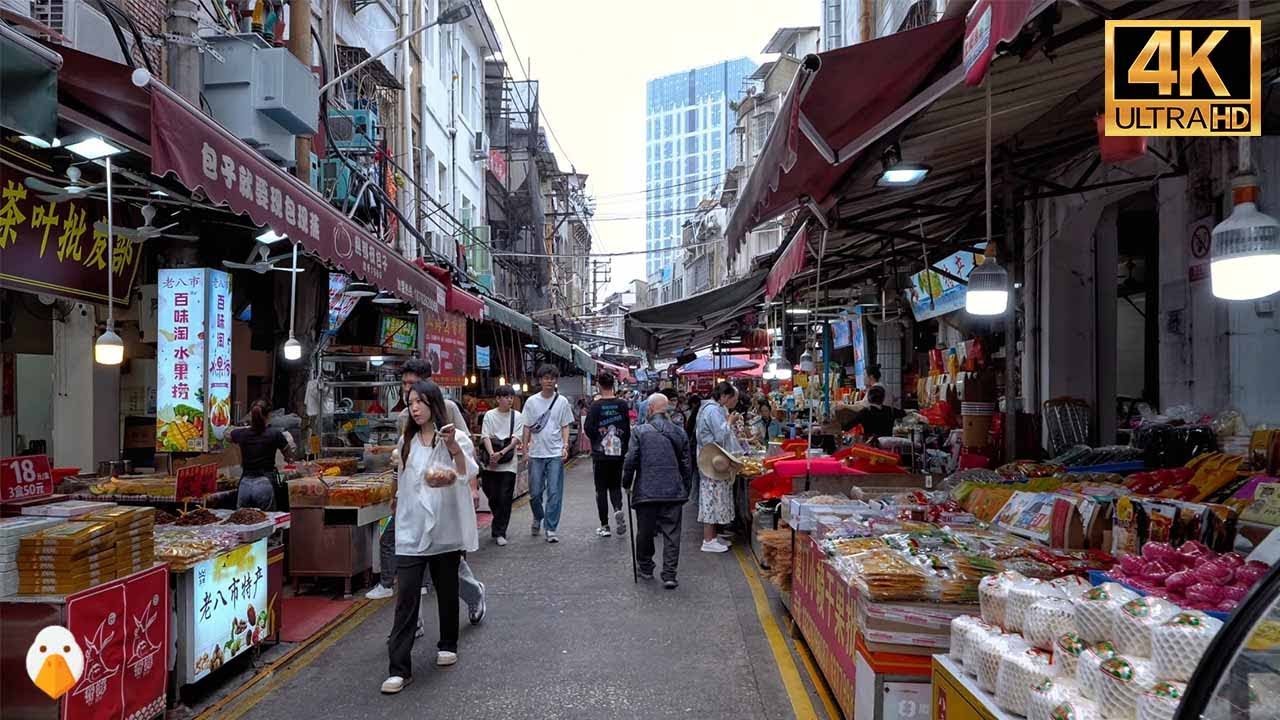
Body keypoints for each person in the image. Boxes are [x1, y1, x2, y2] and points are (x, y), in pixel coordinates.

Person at [369, 360, 486, 630]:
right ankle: (415, 622)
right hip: (413, 500)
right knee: (410, 557)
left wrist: (472, 485)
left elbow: (465, 451)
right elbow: (402, 459)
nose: (408, 394)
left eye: (412, 385)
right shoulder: (404, 417)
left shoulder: (448, 408)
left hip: (443, 498)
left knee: (448, 563)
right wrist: (395, 492)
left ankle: (474, 593)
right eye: (404, 386)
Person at [382, 380, 479, 694]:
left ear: (434, 404)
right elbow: (401, 477)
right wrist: (394, 501)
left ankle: (447, 643)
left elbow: (465, 475)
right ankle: (399, 668)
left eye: (421, 402)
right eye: (411, 403)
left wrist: (452, 448)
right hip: (411, 528)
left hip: (444, 528)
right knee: (406, 597)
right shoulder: (406, 441)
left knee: (446, 588)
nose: (415, 408)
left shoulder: (455, 437)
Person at [623, 393, 692, 589]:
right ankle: (669, 574)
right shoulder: (679, 432)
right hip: (673, 490)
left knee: (645, 531)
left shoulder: (639, 431)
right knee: (672, 534)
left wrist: (626, 483)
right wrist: (685, 489)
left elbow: (631, 460)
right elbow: (687, 465)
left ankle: (645, 566)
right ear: (666, 409)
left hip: (646, 490)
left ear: (651, 409)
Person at [521, 364, 576, 543]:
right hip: (536, 453)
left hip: (554, 453)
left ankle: (551, 528)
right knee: (535, 492)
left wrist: (565, 445)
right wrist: (525, 449)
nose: (549, 381)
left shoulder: (562, 402)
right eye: (545, 378)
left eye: (552, 378)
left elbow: (565, 425)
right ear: (540, 380)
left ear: (556, 381)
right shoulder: (531, 402)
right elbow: (527, 426)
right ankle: (538, 516)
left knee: (554, 491)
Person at [583, 372, 631, 537]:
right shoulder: (622, 405)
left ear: (598, 385)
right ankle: (617, 508)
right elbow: (627, 428)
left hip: (600, 454)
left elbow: (588, 428)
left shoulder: (595, 406)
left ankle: (604, 525)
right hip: (618, 454)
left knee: (601, 489)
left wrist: (597, 439)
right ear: (614, 385)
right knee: (615, 486)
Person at [694, 382, 740, 553]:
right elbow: (720, 435)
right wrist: (729, 421)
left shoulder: (709, 408)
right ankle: (708, 539)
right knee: (711, 499)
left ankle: (713, 536)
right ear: (723, 397)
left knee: (713, 497)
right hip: (711, 461)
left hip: (710, 459)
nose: (731, 403)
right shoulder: (713, 410)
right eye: (731, 399)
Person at [480, 385, 524, 546]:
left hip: (508, 463)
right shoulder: (489, 415)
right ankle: (498, 524)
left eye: (511, 397)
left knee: (505, 497)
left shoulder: (517, 416)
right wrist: (492, 454)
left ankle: (500, 531)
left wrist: (501, 453)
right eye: (506, 397)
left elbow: (516, 439)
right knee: (492, 495)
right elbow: (485, 436)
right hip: (490, 462)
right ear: (498, 399)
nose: (509, 400)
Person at [230, 400, 294, 510]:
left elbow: (228, 434)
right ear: (268, 416)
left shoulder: (241, 434)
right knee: (266, 521)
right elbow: (289, 456)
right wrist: (290, 460)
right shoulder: (275, 434)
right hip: (264, 484)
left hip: (244, 485)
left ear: (251, 415)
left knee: (242, 522)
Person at [828, 385, 904, 443]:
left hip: (870, 445)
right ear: (883, 398)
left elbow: (847, 426)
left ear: (869, 398)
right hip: (888, 445)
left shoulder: (865, 412)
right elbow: (905, 412)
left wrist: (831, 426)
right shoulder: (891, 410)